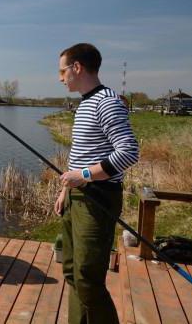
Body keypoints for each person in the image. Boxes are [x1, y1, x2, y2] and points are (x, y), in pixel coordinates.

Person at [54, 43, 139, 324]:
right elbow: (81, 154)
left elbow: (129, 152)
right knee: (70, 270)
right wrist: (66, 188)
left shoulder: (108, 102)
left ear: (77, 67)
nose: (60, 77)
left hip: (98, 198)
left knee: (88, 278)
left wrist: (85, 176)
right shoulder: (85, 103)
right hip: (75, 198)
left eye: (62, 70)